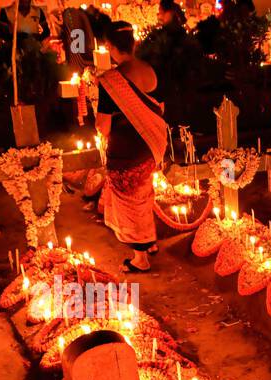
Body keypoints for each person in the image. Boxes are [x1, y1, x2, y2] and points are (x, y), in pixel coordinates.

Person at [95, 21, 168, 273]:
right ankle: (150, 245)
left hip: (126, 150)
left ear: (110, 47)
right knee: (144, 194)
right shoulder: (150, 71)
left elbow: (102, 125)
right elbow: (159, 108)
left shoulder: (110, 81)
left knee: (129, 202)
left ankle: (140, 257)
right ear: (134, 43)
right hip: (151, 145)